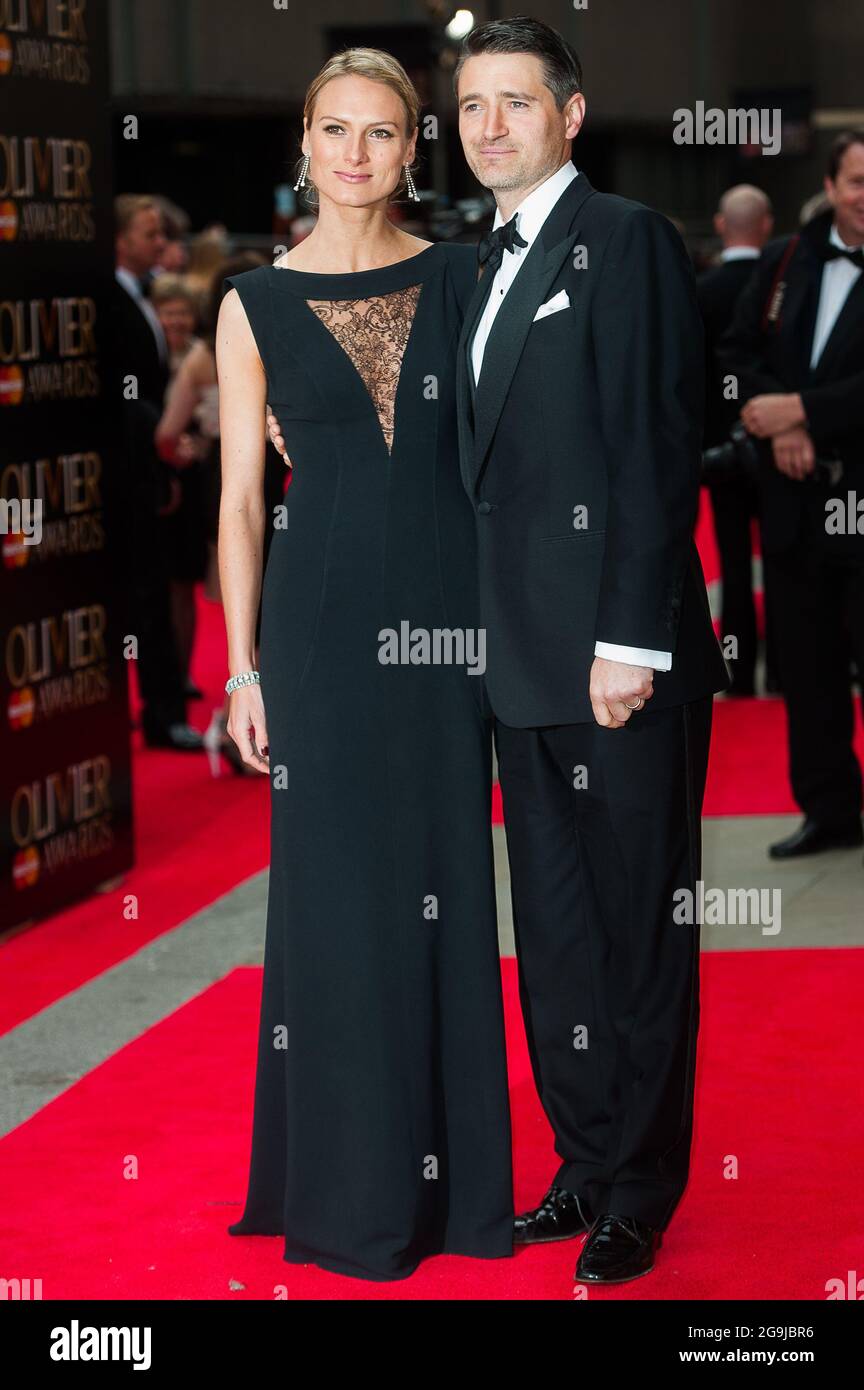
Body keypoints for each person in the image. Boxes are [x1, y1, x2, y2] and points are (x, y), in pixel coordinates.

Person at [270, 17, 730, 1284]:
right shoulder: (472, 268)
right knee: (560, 934)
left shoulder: (624, 239)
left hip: (612, 666)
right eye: (471, 108)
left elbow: (651, 445)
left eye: (514, 104)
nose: (489, 128)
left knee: (637, 933)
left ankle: (641, 1187)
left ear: (569, 115)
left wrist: (632, 640)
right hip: (509, 668)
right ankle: (583, 1162)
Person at [218, 48, 513, 1281]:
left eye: (380, 134)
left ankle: (455, 1189)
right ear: (304, 141)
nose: (354, 155)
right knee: (336, 902)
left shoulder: (461, 275)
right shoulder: (251, 302)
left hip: (451, 630)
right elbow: (239, 500)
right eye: (334, 130)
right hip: (322, 634)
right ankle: (348, 1192)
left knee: (445, 879)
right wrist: (241, 669)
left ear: (411, 149)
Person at [720, 130, 864, 861]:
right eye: (858, 181)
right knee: (807, 673)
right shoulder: (786, 260)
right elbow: (737, 353)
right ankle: (829, 810)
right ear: (832, 186)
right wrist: (776, 420)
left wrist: (802, 410)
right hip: (795, 501)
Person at [111, 194, 203, 751]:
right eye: (149, 233)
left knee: (153, 589)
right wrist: (163, 439)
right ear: (120, 240)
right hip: (130, 468)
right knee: (143, 594)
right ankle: (161, 712)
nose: (159, 243)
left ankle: (164, 706)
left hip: (149, 464)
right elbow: (122, 394)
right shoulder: (110, 299)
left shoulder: (142, 297)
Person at [698, 186, 774, 697]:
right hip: (780, 446)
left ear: (722, 226)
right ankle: (790, 669)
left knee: (731, 558)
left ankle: (741, 672)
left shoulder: (699, 290)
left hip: (720, 452)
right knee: (788, 562)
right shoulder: (782, 287)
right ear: (766, 225)